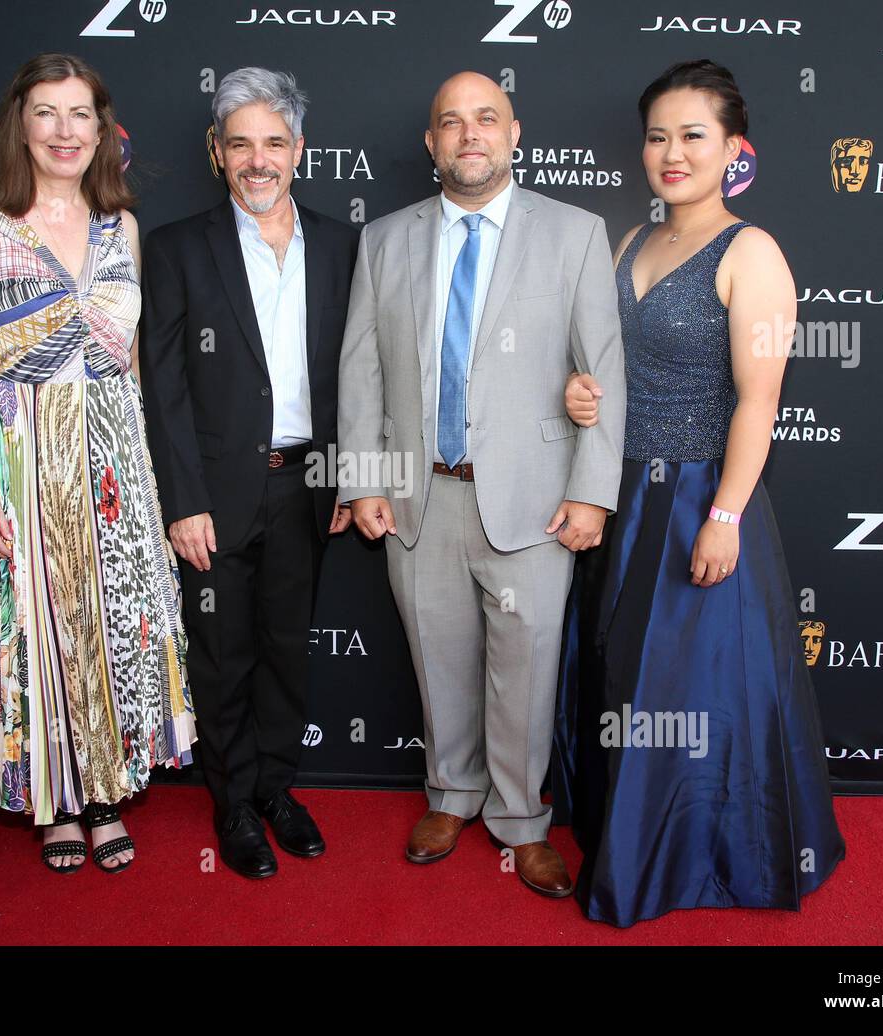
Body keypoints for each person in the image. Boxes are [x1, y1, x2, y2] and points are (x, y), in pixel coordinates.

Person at [554, 60, 846, 926]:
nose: (671, 153)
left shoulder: (752, 251)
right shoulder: (628, 243)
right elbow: (610, 369)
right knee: (623, 683)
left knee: (683, 694)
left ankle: (695, 860)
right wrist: (581, 393)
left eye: (693, 136)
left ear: (732, 150)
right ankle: (630, 841)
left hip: (697, 502)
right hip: (621, 497)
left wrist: (723, 515)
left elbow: (761, 401)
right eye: (658, 136)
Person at [338, 72, 625, 898]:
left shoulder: (574, 234)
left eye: (486, 119)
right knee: (439, 660)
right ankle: (451, 794)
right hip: (418, 495)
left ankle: (520, 819)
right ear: (431, 144)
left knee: (525, 670)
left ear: (514, 133)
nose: (470, 134)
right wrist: (361, 480)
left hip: (535, 502)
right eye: (451, 123)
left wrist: (592, 492)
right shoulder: (385, 239)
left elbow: (600, 371)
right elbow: (361, 371)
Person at [0, 53, 195, 875]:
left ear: (101, 128)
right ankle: (52, 801)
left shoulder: (122, 227)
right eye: (45, 113)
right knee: (34, 624)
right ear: (22, 125)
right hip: (15, 456)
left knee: (111, 625)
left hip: (114, 458)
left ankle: (107, 790)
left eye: (78, 113)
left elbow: (129, 363)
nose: (63, 130)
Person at [139, 68, 359, 879]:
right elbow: (160, 385)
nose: (258, 160)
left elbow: (361, 374)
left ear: (299, 150)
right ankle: (231, 803)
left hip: (308, 484)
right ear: (217, 152)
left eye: (274, 142)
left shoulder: (342, 244)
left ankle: (276, 788)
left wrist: (347, 476)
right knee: (222, 654)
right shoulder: (175, 249)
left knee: (285, 648)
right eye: (241, 144)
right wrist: (184, 499)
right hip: (216, 492)